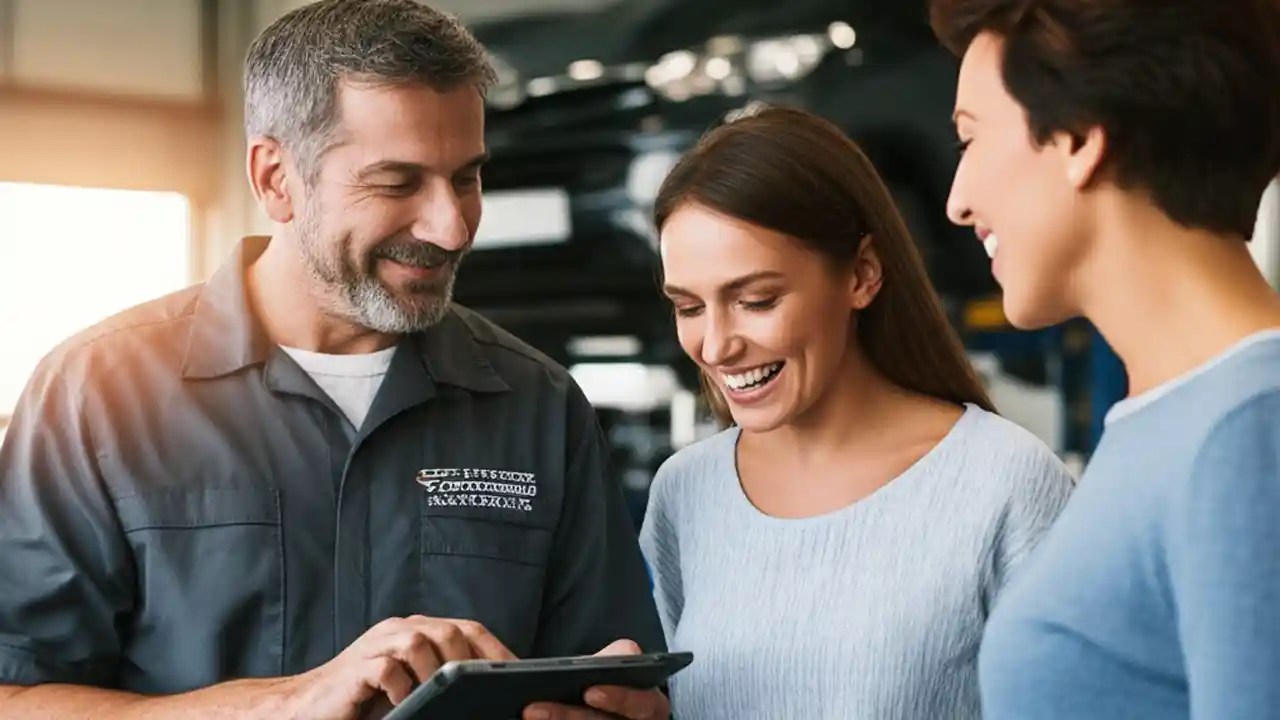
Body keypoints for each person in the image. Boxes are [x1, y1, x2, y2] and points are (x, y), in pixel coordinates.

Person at [0, 1, 668, 718]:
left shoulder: (538, 404)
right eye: (396, 183)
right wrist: (287, 704)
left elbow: (618, 678)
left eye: (467, 178)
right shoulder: (97, 396)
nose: (449, 226)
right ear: (276, 179)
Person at [638, 105, 1075, 719]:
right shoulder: (685, 492)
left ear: (863, 275)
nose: (716, 345)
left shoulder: (1004, 481)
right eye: (688, 307)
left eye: (756, 300)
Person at [930, 0, 1280, 717]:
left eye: (970, 139)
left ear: (1080, 136)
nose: (957, 202)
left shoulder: (1250, 431)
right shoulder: (1175, 419)